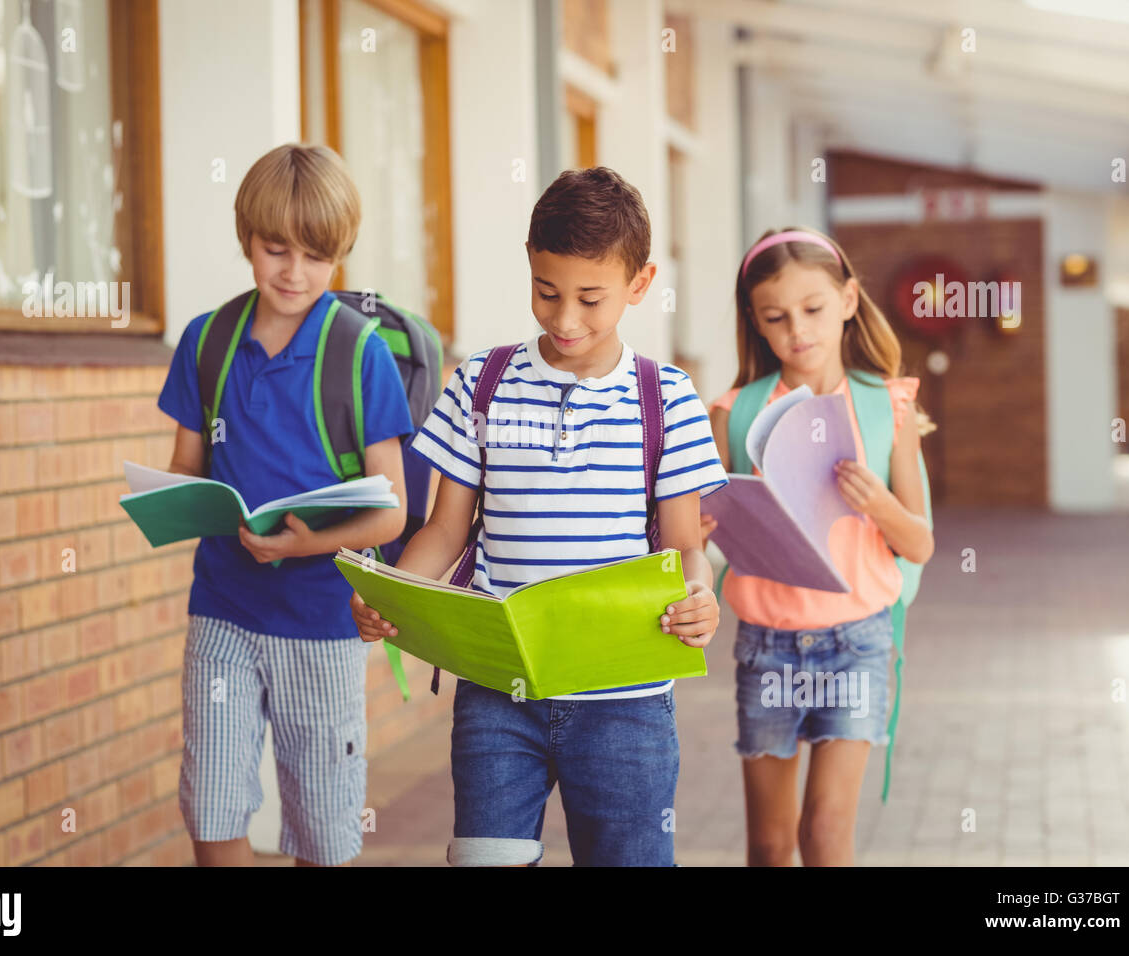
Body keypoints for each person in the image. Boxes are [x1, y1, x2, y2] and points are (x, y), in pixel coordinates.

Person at [352, 167, 729, 866]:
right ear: (529, 263)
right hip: (500, 693)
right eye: (546, 292)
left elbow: (682, 546)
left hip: (627, 703)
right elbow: (444, 529)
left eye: (591, 298)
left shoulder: (666, 398)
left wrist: (699, 595)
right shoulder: (482, 382)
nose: (564, 319)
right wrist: (393, 595)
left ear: (640, 285)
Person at [157, 144, 414, 866]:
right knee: (210, 807)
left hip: (321, 623)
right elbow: (187, 466)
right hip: (223, 611)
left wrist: (300, 544)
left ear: (340, 255)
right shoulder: (207, 341)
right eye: (276, 250)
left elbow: (390, 513)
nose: (294, 273)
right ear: (247, 239)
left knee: (323, 827)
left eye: (315, 256)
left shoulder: (359, 353)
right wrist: (169, 502)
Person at [706, 226, 935, 866]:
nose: (797, 331)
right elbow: (710, 531)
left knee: (827, 834)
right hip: (767, 647)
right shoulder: (734, 412)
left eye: (813, 310)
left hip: (858, 644)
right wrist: (702, 529)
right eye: (775, 318)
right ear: (754, 323)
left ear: (850, 300)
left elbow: (919, 544)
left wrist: (878, 504)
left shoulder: (886, 406)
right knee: (771, 843)